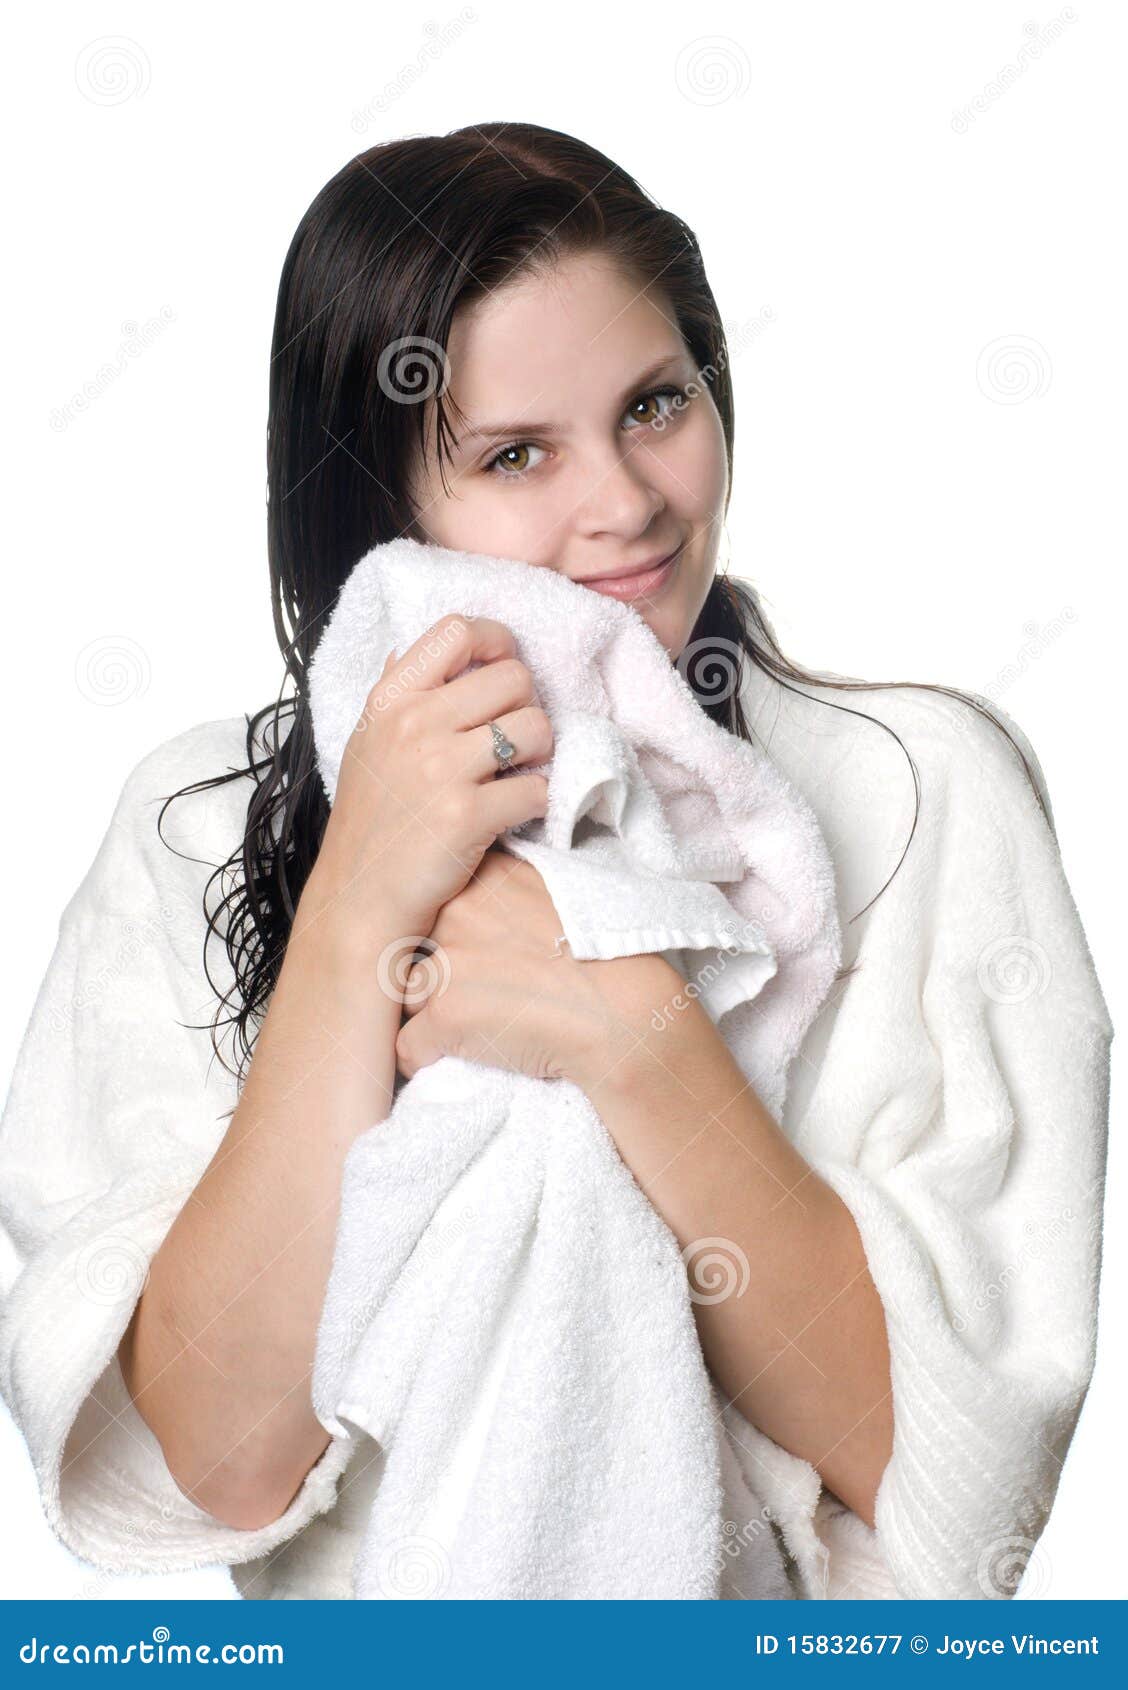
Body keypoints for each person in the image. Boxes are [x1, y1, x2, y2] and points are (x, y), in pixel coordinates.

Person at [0, 122, 1112, 1602]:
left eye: (656, 403)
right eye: (517, 452)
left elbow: (960, 1488)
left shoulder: (914, 790)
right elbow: (207, 1457)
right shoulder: (192, 825)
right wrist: (351, 920)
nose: (629, 503)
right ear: (378, 504)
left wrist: (630, 1030)